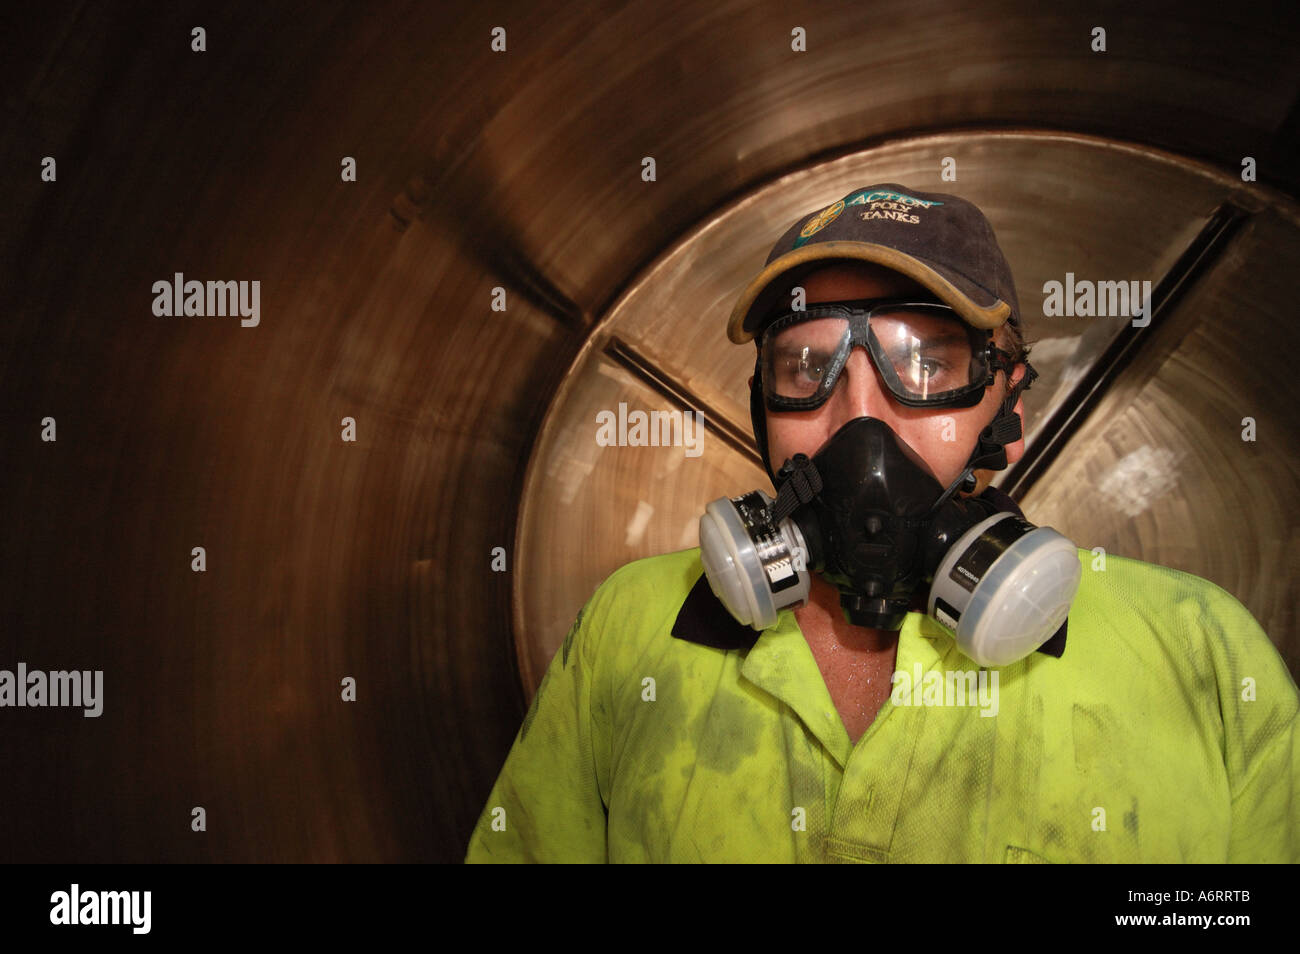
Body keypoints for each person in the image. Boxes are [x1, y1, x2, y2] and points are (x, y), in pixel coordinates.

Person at [465, 184, 1299, 863]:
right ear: (762, 407)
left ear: (1007, 397)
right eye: (804, 364)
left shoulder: (1200, 654)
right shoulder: (630, 629)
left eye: (925, 362)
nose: (857, 419)